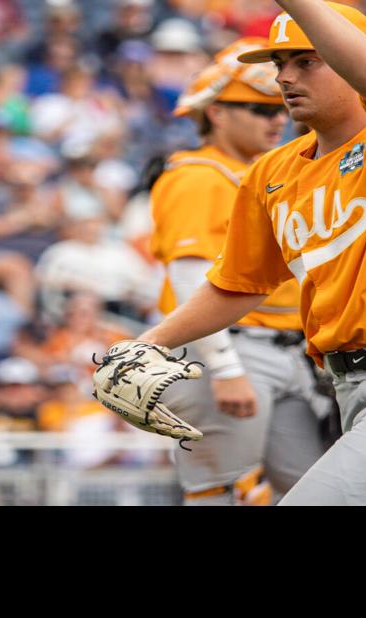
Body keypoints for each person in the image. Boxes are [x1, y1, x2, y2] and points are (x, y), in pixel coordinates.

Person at [128, 2, 366, 506]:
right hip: (353, 387)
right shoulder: (272, 171)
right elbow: (237, 284)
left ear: (354, 63)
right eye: (280, 63)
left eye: (306, 61)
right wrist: (148, 343)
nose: (284, 77)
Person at [146, 38, 328, 505]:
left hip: (287, 351)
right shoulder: (198, 175)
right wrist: (224, 367)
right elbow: (190, 275)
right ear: (216, 112)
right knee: (223, 490)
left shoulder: (269, 172)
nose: (275, 118)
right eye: (256, 107)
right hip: (231, 348)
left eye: (278, 108)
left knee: (313, 485)